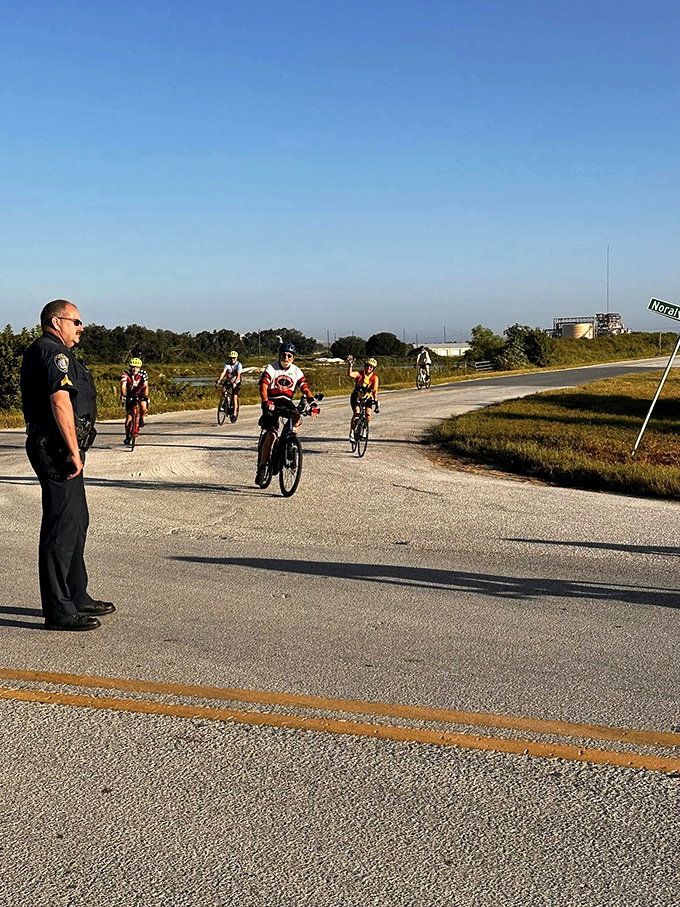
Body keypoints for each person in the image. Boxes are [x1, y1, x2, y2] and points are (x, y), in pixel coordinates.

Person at [20, 299, 116, 631]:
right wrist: (74, 451)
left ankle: (77, 594)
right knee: (61, 527)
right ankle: (58, 609)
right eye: (76, 322)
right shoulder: (51, 352)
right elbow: (60, 401)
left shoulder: (57, 351)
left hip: (63, 448)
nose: (81, 328)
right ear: (56, 321)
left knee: (76, 521)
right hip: (56, 449)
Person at [256, 342, 319, 486]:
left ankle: (290, 441)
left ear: (293, 358)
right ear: (279, 355)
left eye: (289, 356)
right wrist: (266, 401)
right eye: (283, 355)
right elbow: (263, 386)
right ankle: (263, 466)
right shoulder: (271, 367)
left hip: (286, 402)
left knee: (296, 416)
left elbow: (305, 389)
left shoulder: (297, 371)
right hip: (271, 402)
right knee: (271, 434)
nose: (285, 358)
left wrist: (313, 404)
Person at [347, 356, 380, 440]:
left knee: (368, 415)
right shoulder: (359, 374)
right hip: (356, 396)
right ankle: (352, 432)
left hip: (367, 397)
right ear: (365, 366)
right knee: (356, 413)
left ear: (373, 369)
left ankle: (364, 429)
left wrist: (375, 401)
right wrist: (350, 365)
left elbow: (375, 390)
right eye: (367, 366)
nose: (369, 368)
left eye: (371, 367)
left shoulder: (375, 378)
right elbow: (350, 374)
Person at [120, 357, 149, 444]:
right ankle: (127, 436)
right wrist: (123, 395)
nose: (134, 369)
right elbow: (123, 385)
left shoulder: (143, 373)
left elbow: (146, 385)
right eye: (132, 367)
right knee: (129, 417)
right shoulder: (125, 374)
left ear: (139, 368)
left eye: (136, 367)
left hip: (140, 393)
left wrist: (146, 396)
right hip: (130, 394)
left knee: (143, 407)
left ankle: (141, 418)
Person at [215, 351, 242, 422]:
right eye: (231, 358)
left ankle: (234, 413)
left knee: (234, 396)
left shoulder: (239, 365)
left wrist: (235, 382)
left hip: (237, 381)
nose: (232, 359)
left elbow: (238, 375)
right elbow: (223, 373)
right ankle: (226, 401)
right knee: (223, 389)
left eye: (233, 358)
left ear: (236, 358)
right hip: (229, 380)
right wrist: (218, 381)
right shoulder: (226, 364)